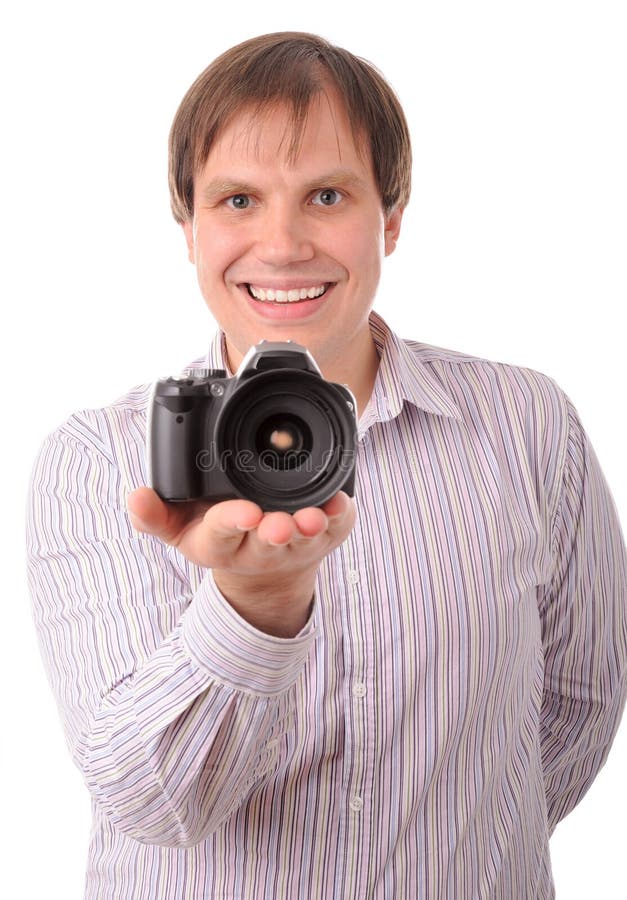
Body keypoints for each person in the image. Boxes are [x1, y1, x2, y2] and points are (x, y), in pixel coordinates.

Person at [26, 31, 626, 900]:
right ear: (188, 227)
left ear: (390, 217)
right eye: (237, 199)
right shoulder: (101, 460)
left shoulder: (525, 424)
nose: (280, 245)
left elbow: (579, 700)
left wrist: (458, 856)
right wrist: (253, 610)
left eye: (326, 195)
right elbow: (148, 802)